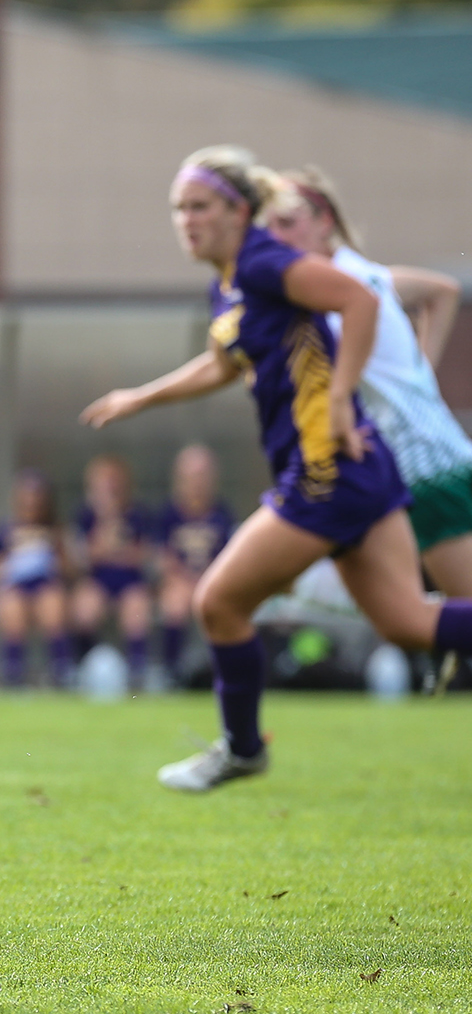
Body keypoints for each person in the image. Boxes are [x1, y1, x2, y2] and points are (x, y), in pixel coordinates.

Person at [81, 144, 472, 791]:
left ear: (239, 211)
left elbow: (361, 302)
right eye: (179, 209)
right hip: (358, 470)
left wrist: (342, 395)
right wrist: (141, 397)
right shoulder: (230, 282)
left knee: (218, 602)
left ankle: (241, 748)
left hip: (327, 472)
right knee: (408, 622)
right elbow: (223, 362)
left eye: (200, 206)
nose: (187, 220)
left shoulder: (265, 262)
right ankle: (241, 747)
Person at [264, 168, 472, 599]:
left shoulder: (346, 291)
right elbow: (444, 291)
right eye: (269, 228)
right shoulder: (366, 275)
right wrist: (422, 372)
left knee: (454, 615)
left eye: (288, 222)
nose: (277, 238)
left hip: (426, 469)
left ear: (325, 222)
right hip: (419, 460)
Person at [69, 455, 155, 686]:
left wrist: (111, 551)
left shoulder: (138, 513)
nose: (110, 486)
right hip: (98, 581)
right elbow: (84, 557)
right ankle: (81, 670)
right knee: (85, 608)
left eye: (114, 480)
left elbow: (144, 555)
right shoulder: (86, 515)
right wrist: (107, 524)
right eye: (104, 481)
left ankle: (138, 676)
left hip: (131, 582)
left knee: (137, 610)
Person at [0, 470, 72, 688]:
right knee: (12, 606)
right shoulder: (5, 530)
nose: (32, 503)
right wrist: (12, 555)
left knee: (53, 603)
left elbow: (70, 569)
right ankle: (13, 674)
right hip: (15, 587)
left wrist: (54, 547)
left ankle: (61, 672)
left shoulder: (55, 530)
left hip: (45, 586)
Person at [156, 444, 235, 677]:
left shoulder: (222, 513)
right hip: (179, 582)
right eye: (192, 476)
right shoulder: (169, 513)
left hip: (213, 582)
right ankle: (171, 672)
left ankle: (223, 670)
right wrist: (183, 578)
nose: (198, 482)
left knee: (222, 606)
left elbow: (230, 556)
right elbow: (162, 557)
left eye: (203, 475)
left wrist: (207, 580)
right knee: (175, 602)